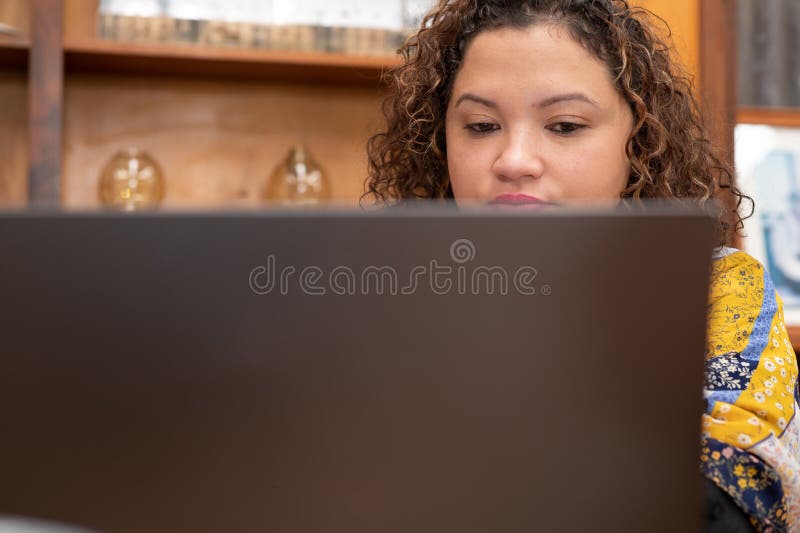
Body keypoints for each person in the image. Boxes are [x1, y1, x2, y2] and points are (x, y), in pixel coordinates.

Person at [363, 1, 800, 530]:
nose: (514, 160)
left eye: (565, 125)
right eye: (481, 126)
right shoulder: (385, 300)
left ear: (636, 139)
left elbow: (736, 484)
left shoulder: (716, 290)